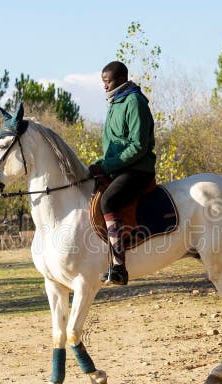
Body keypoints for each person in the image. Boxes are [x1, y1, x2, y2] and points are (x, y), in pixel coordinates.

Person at [88, 61, 156, 286]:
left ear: (120, 79)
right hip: (119, 168)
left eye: (108, 81)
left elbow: (137, 146)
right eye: (103, 82)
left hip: (138, 169)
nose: (105, 86)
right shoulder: (115, 103)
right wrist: (98, 164)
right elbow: (114, 147)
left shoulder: (134, 102)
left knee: (108, 201)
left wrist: (107, 167)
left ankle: (119, 267)